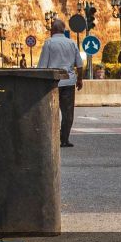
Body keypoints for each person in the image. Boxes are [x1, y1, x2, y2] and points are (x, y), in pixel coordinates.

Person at [37, 18, 84, 147]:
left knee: (52, 111)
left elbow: (42, 66)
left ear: (52, 30)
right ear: (63, 30)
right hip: (68, 82)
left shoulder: (49, 43)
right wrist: (79, 79)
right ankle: (64, 139)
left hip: (53, 83)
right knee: (68, 113)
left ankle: (52, 138)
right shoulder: (72, 43)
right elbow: (79, 65)